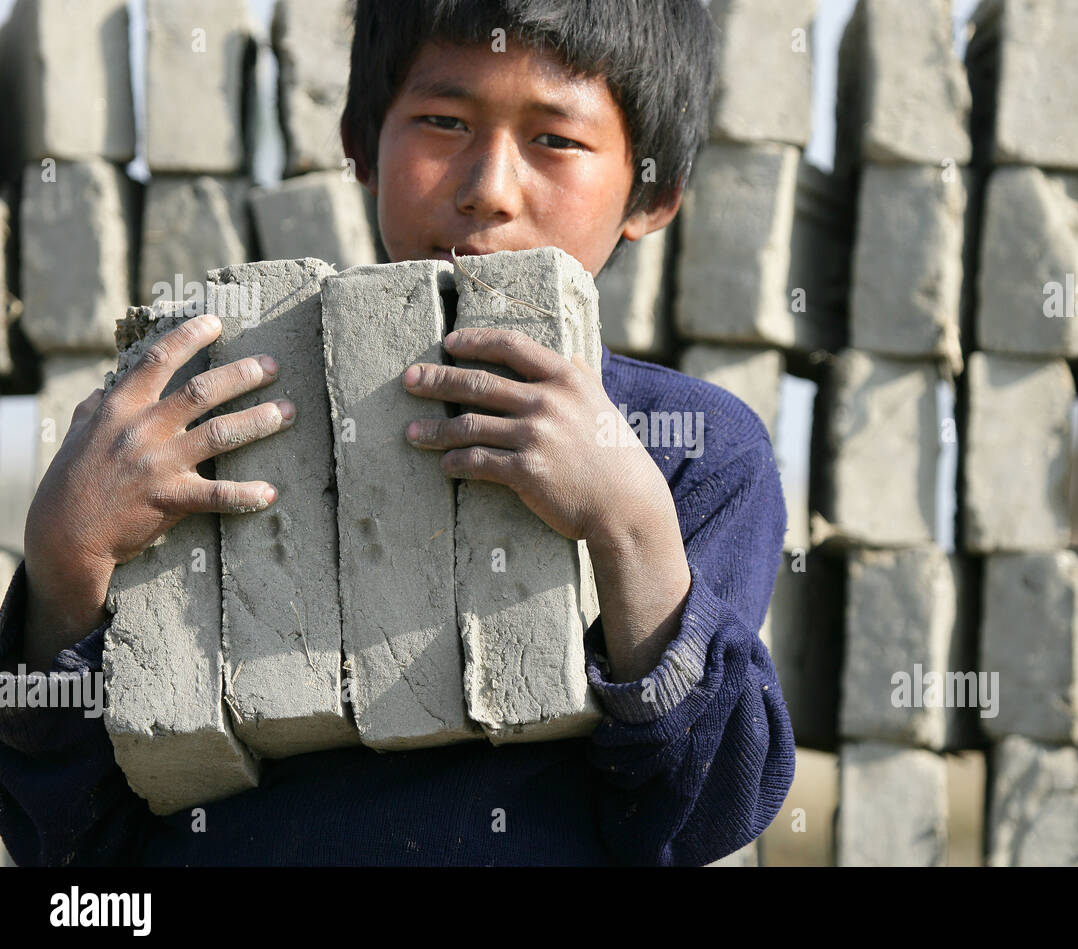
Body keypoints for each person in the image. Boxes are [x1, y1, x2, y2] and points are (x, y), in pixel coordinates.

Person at [0, 0, 794, 865]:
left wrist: (630, 529)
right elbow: (65, 833)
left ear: (653, 192)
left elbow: (704, 809)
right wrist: (65, 558)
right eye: (444, 122)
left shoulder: (694, 451)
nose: (488, 188)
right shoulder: (214, 422)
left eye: (555, 140)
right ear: (361, 145)